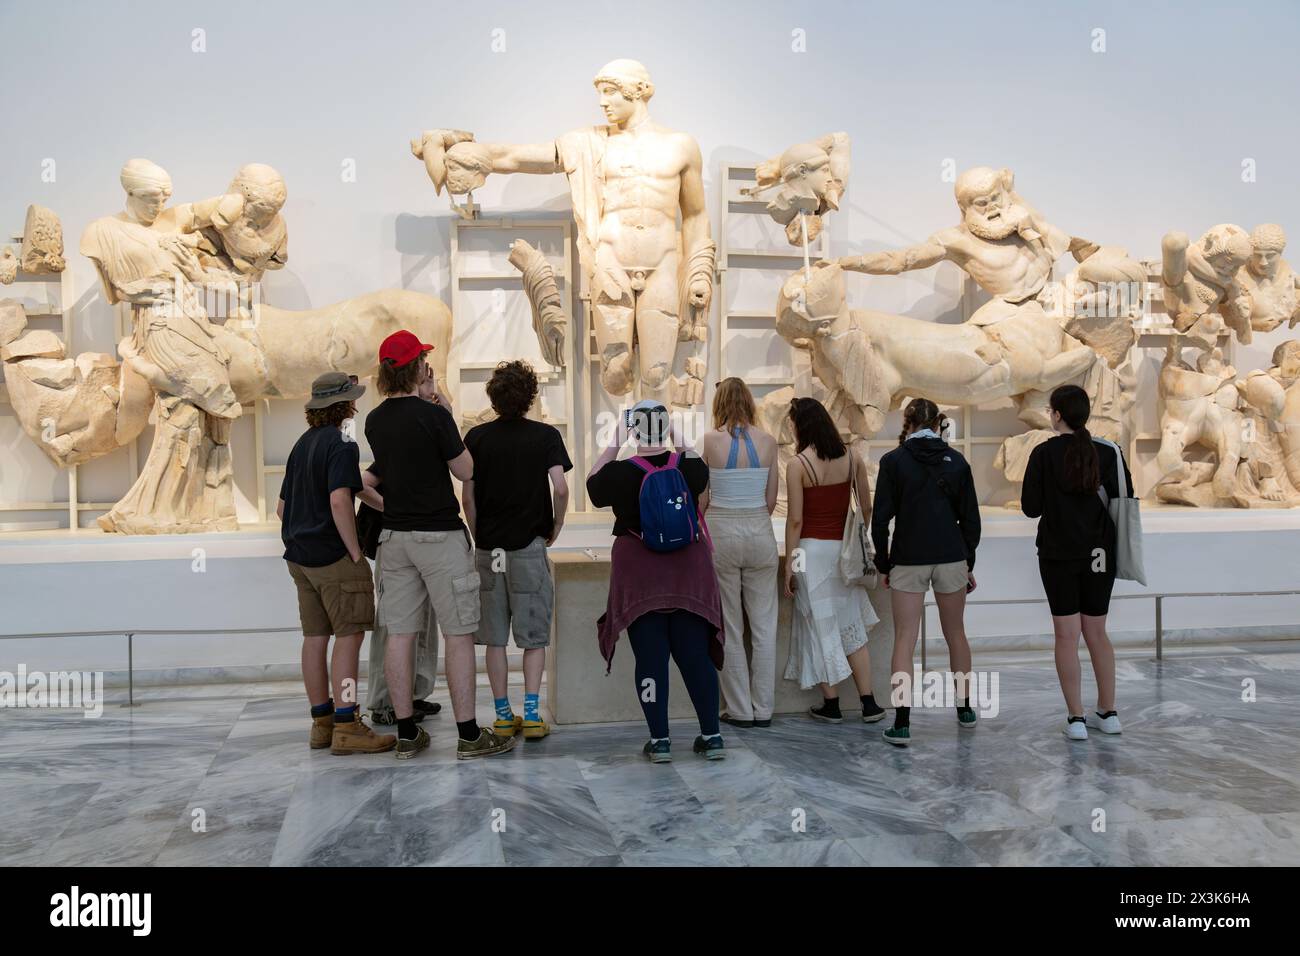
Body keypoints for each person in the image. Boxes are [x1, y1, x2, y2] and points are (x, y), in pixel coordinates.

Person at [364, 330, 514, 761]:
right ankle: (468, 734)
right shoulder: (433, 417)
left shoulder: (375, 420)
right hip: (440, 537)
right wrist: (444, 407)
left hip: (394, 539)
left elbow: (386, 471)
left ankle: (407, 733)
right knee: (459, 634)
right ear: (418, 368)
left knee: (400, 635)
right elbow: (466, 470)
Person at [587, 400, 725, 762]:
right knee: (695, 656)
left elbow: (592, 484)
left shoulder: (619, 474)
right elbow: (695, 463)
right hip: (688, 573)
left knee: (650, 659)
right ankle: (711, 735)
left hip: (640, 574)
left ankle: (660, 741)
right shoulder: (689, 468)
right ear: (666, 428)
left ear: (634, 430)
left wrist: (617, 439)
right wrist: (676, 433)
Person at [278, 371, 395, 756]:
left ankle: (321, 724)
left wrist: (387, 507)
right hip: (334, 558)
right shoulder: (343, 442)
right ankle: (347, 724)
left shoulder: (302, 444)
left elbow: (282, 508)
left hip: (300, 559)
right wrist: (355, 553)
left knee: (315, 638)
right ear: (344, 406)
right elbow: (340, 501)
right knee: (349, 637)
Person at [463, 361, 573, 741]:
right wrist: (556, 526)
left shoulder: (476, 438)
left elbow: (468, 496)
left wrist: (480, 536)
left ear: (493, 398)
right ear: (530, 396)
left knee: (494, 637)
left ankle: (502, 715)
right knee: (533, 636)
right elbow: (560, 487)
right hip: (528, 546)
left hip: (490, 549)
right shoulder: (545, 436)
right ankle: (530, 713)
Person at [1022, 384, 1133, 740]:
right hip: (1100, 554)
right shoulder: (1107, 451)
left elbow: (1030, 508)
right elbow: (1124, 501)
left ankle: (1076, 718)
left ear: (1056, 415)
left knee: (1066, 636)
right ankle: (1109, 712)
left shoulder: (1042, 453)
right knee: (1097, 632)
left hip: (1058, 554)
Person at [872, 398, 981, 747]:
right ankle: (964, 709)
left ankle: (902, 723)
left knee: (904, 638)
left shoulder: (893, 461)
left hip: (908, 558)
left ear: (906, 422)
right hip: (951, 557)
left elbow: (880, 520)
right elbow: (971, 521)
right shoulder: (958, 461)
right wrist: (968, 562)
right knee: (957, 634)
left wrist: (883, 561)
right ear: (938, 423)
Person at [782, 397, 884, 726]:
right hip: (844, 553)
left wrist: (790, 566)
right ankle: (869, 703)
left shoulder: (798, 465)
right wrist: (862, 540)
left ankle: (833, 704)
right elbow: (866, 508)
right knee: (852, 628)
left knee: (819, 626)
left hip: (811, 554)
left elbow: (795, 521)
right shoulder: (851, 456)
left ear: (801, 427)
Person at [700, 378, 779, 729]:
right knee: (764, 627)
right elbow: (771, 500)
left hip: (723, 532)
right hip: (760, 532)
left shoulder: (710, 442)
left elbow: (702, 501)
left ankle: (739, 710)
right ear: (749, 402)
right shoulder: (768, 442)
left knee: (729, 626)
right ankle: (763, 709)